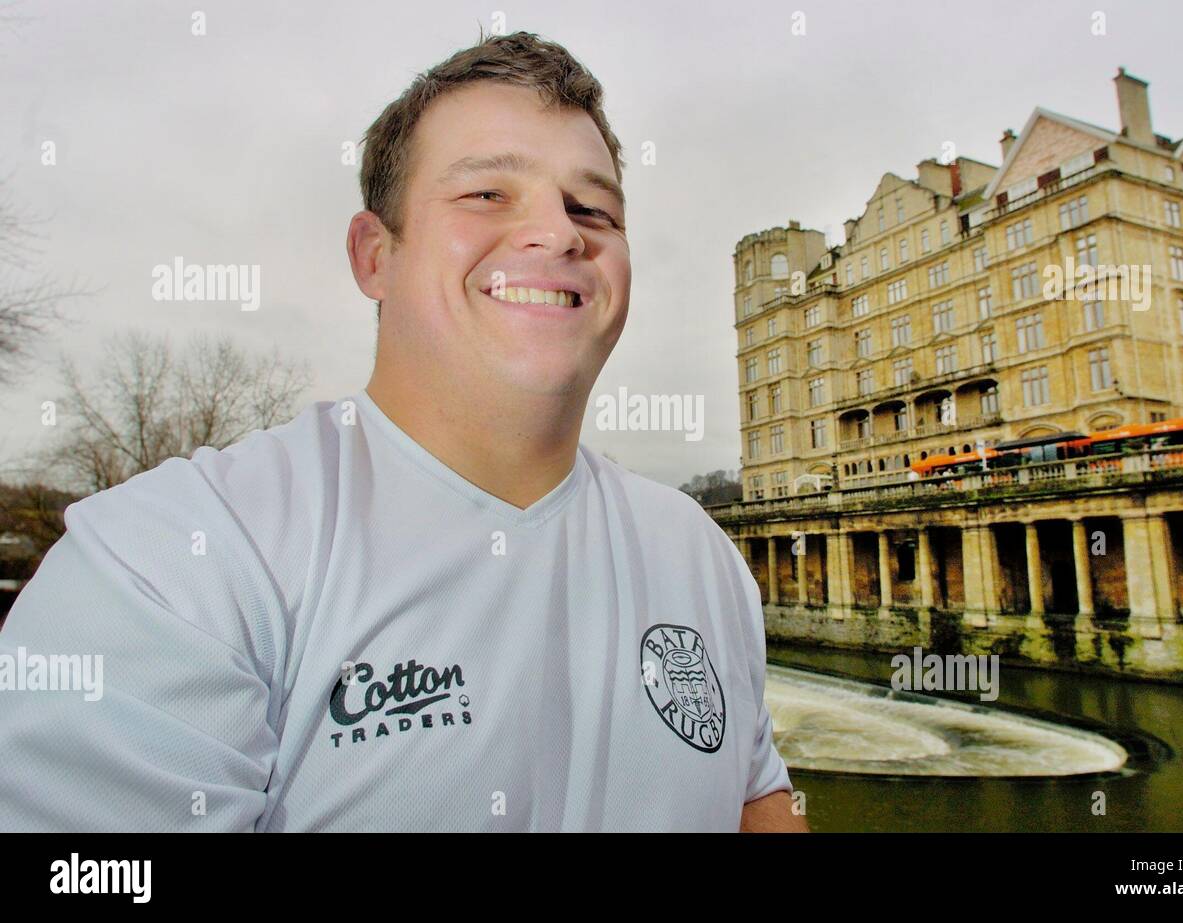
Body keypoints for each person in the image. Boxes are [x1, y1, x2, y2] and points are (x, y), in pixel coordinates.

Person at [0, 30, 805, 832]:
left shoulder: (699, 554)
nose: (560, 233)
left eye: (590, 206)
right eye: (489, 193)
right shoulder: (172, 564)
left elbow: (754, 798)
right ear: (374, 255)